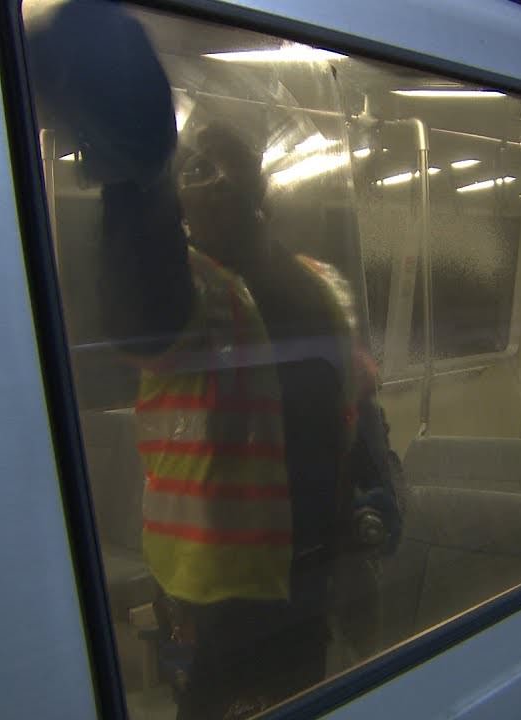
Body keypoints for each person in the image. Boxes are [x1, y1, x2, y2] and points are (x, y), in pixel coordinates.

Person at [26, 3, 304, 717]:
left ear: (259, 195)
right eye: (195, 169)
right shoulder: (221, 287)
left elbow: (148, 309)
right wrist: (135, 176)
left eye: (223, 170)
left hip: (247, 586)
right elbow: (145, 303)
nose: (207, 182)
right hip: (202, 580)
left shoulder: (245, 292)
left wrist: (134, 172)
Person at [175, 123, 402, 673]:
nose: (192, 217)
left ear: (242, 200)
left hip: (250, 566)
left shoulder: (207, 292)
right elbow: (353, 403)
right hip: (289, 551)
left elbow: (345, 403)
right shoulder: (316, 283)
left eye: (203, 192)